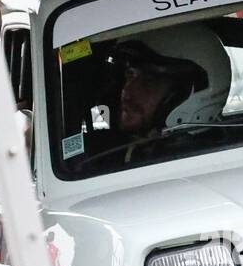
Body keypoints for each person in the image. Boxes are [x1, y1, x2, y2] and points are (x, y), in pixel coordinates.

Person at [87, 24, 230, 169]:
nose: (126, 90)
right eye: (130, 75)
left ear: (186, 94)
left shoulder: (206, 168)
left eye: (149, 81)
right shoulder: (104, 153)